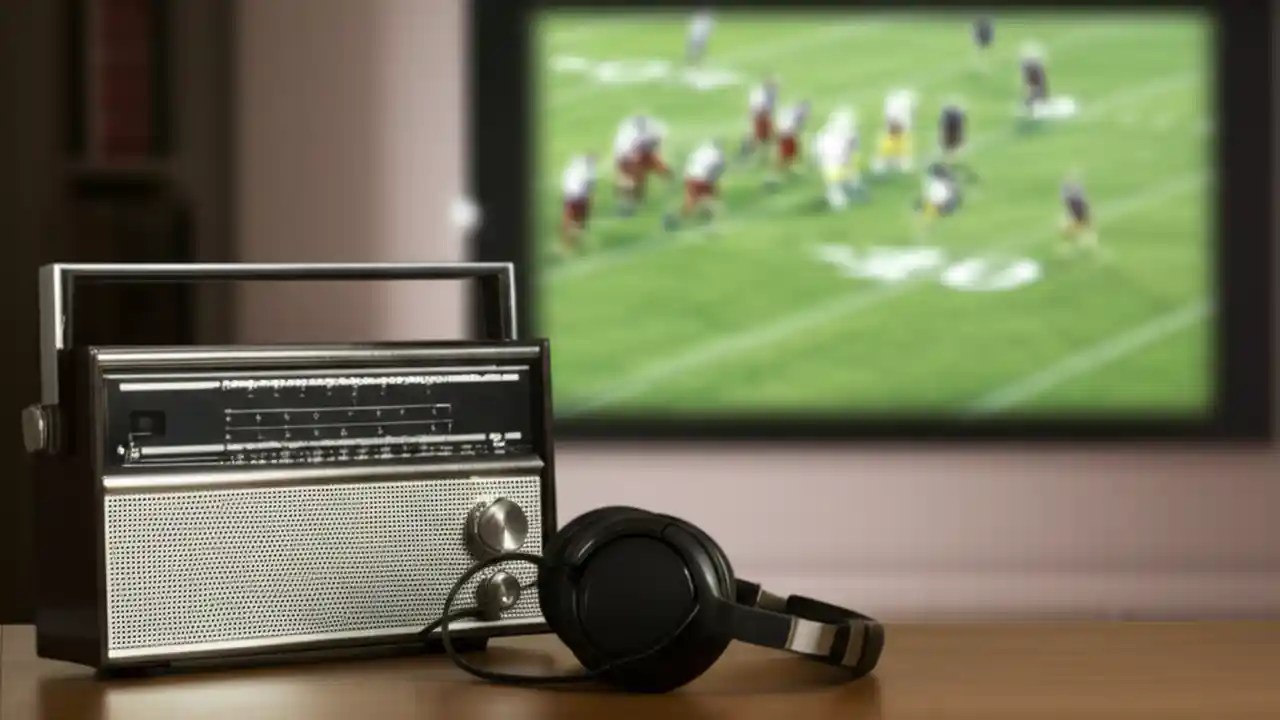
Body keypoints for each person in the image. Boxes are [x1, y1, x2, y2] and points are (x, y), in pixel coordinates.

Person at [613, 115, 670, 214]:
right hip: (628, 157)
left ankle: (634, 200)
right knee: (630, 181)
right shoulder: (628, 137)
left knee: (640, 179)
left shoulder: (644, 131)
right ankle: (627, 201)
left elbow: (655, 141)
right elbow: (627, 153)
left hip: (637, 154)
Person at [666, 140, 726, 229]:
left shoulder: (702, 150)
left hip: (691, 177)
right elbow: (713, 172)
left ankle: (706, 222)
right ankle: (673, 219)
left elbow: (690, 163)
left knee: (696, 204)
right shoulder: (717, 157)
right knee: (703, 204)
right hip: (701, 179)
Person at [815, 108, 862, 210]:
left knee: (852, 186)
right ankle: (834, 194)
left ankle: (840, 192)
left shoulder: (845, 137)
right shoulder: (829, 139)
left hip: (842, 170)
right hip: (834, 170)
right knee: (839, 199)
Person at [872, 89, 916, 174]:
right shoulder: (889, 136)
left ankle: (901, 104)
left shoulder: (902, 134)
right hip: (892, 147)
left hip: (899, 148)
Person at [560, 153, 596, 253]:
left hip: (570, 198)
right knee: (578, 224)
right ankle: (573, 244)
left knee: (568, 224)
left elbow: (566, 187)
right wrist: (591, 205)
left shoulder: (569, 171)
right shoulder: (589, 172)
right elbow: (590, 190)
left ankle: (568, 245)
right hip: (580, 199)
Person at [739, 75, 779, 160]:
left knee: (766, 138)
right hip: (759, 117)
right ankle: (747, 151)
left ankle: (760, 154)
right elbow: (756, 108)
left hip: (765, 117)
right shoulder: (759, 94)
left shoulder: (772, 93)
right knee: (757, 137)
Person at [1060, 174, 1099, 252]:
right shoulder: (1073, 198)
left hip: (1078, 210)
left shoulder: (1075, 197)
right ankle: (1079, 239)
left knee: (1080, 224)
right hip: (1077, 210)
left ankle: (1080, 239)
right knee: (1078, 224)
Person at [775, 100, 811, 174]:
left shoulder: (794, 118)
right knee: (785, 153)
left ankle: (788, 167)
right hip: (786, 136)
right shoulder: (791, 117)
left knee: (790, 153)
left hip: (788, 135)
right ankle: (783, 168)